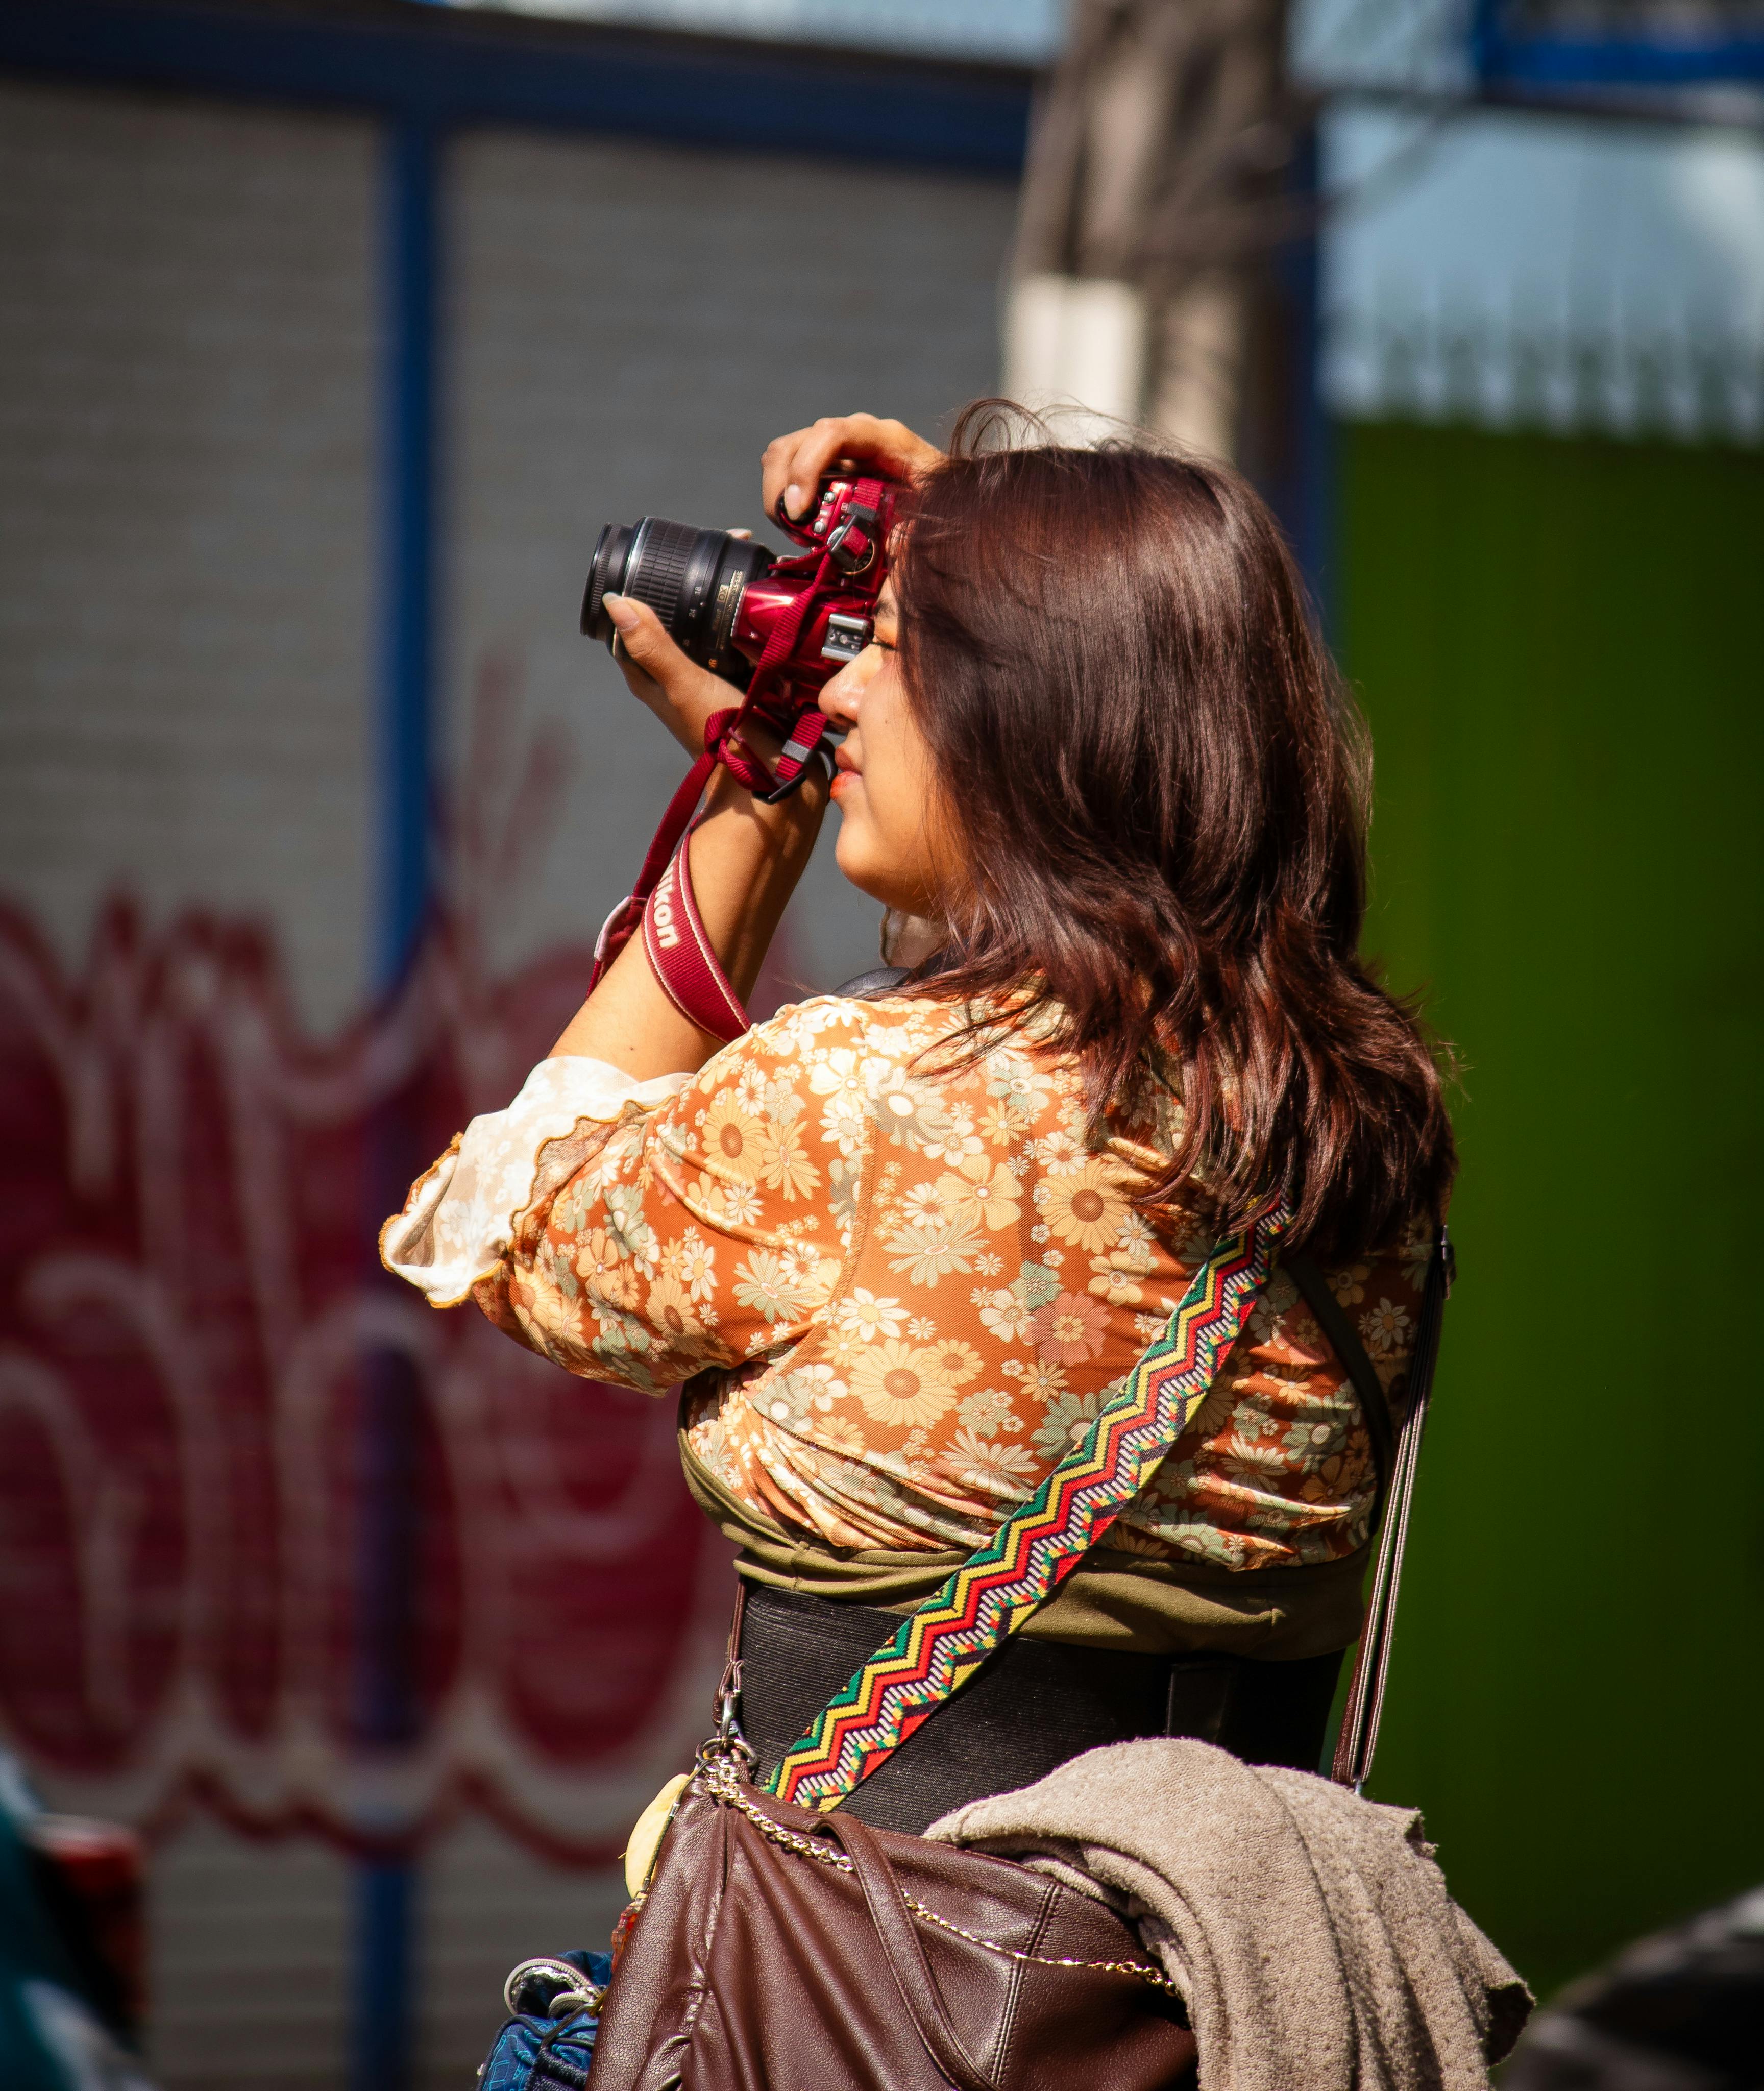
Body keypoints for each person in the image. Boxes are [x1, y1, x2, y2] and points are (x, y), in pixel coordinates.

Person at [382, 405, 1455, 1835]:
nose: (832, 697)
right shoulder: (1361, 1130)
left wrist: (755, 812)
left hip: (878, 1993)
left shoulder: (862, 1101)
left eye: (883, 657)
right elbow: (1144, 717)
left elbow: (501, 1221)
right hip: (1207, 2005)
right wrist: (1009, 549)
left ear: (1023, 708)